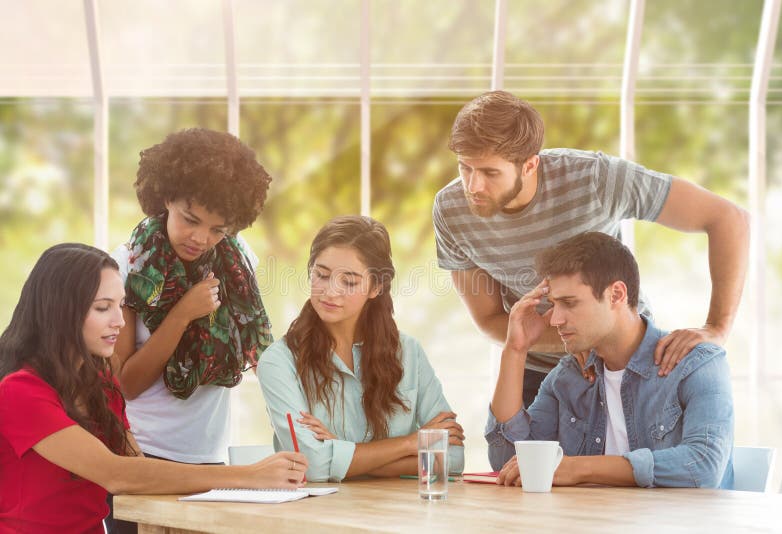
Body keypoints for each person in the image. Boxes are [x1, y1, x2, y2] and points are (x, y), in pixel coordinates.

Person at [433, 90, 749, 405]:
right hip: (541, 372)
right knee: (513, 453)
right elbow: (489, 319)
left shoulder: (595, 179)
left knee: (641, 456)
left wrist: (716, 329)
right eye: (465, 168)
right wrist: (571, 338)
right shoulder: (451, 211)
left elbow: (728, 219)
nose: (473, 186)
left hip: (625, 360)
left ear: (530, 166)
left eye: (490, 173)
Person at [0, 244, 307, 533]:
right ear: (60, 311)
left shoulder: (99, 383)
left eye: (121, 305)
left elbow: (138, 468)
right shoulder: (19, 392)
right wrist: (249, 476)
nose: (120, 321)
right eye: (103, 308)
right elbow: (116, 474)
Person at [486, 232, 734, 488]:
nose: (554, 319)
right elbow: (508, 462)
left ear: (616, 294)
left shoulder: (696, 364)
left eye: (569, 303)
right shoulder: (568, 377)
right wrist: (515, 349)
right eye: (553, 304)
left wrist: (579, 469)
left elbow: (703, 466)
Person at [258, 216, 465, 482]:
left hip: (402, 517)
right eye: (321, 275)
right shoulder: (279, 362)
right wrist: (409, 443)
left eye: (349, 281)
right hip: (317, 514)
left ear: (376, 287)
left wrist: (343, 453)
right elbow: (313, 467)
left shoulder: (409, 353)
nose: (330, 292)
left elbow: (454, 459)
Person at [111, 127, 273, 466]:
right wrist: (183, 315)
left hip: (211, 456)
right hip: (141, 453)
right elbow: (125, 385)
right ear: (167, 197)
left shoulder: (236, 259)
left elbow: (257, 351)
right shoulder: (127, 267)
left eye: (218, 229)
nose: (201, 238)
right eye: (190, 220)